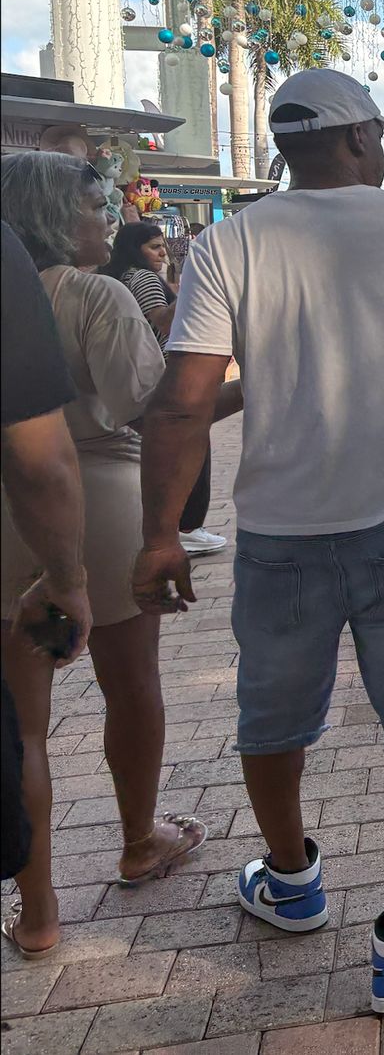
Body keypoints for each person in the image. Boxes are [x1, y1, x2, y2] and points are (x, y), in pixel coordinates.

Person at [133, 70, 384, 1015]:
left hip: (280, 533)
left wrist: (161, 535)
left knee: (273, 715)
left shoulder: (229, 241)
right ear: (360, 138)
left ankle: (291, 883)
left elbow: (183, 401)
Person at [2, 159, 223, 959]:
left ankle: (38, 914)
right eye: (96, 204)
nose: (109, 218)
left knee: (22, 726)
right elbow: (153, 410)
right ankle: (138, 841)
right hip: (99, 507)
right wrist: (246, 385)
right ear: (55, 217)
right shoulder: (97, 296)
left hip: (8, 512)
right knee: (130, 686)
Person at [2, 221, 87, 920]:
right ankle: (38, 911)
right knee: (27, 727)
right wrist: (67, 580)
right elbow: (39, 460)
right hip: (27, 529)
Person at [102, 222, 226, 558]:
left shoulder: (121, 277)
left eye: (162, 247)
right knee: (190, 444)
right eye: (154, 247)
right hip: (165, 371)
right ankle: (186, 527)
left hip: (143, 374)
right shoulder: (143, 278)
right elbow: (163, 320)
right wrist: (196, 289)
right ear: (135, 249)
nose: (162, 254)